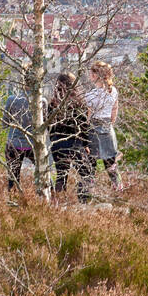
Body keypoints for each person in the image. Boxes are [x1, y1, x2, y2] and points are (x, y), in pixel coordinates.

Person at [47, 72, 93, 200]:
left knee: (61, 174)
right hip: (75, 143)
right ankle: (83, 200)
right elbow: (84, 126)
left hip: (57, 143)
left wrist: (53, 141)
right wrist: (86, 144)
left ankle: (59, 202)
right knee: (85, 173)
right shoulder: (79, 104)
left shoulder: (53, 104)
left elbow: (49, 126)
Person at [83, 61, 121, 192]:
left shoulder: (90, 95)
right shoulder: (113, 91)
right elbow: (114, 110)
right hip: (108, 127)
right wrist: (110, 123)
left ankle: (88, 191)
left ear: (94, 75)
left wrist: (84, 130)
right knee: (111, 163)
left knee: (90, 163)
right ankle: (118, 188)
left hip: (93, 128)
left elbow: (87, 116)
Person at [3, 91, 33, 191]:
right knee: (44, 174)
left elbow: (5, 123)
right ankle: (49, 201)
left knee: (13, 180)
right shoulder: (41, 101)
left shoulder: (11, 99)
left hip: (14, 144)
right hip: (33, 145)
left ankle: (13, 201)